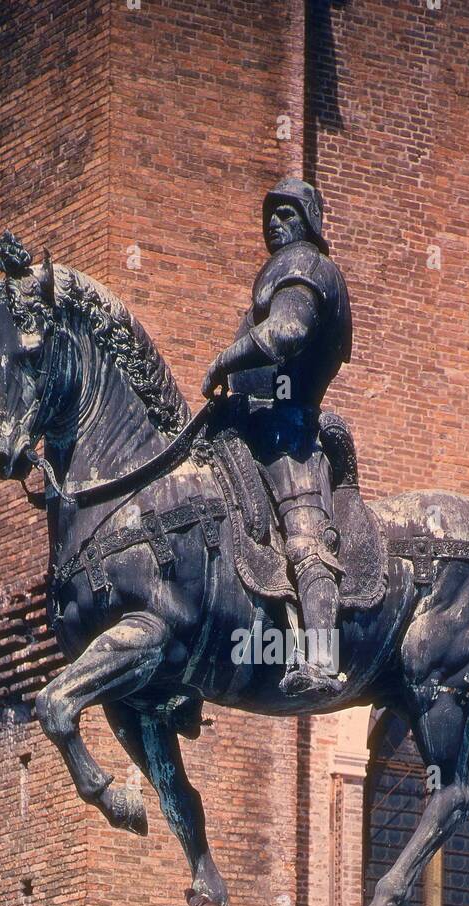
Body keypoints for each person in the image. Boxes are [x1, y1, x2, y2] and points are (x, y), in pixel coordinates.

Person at [202, 178, 353, 700]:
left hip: (291, 434)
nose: (274, 222)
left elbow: (287, 332)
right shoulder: (277, 274)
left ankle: (321, 661)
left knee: (306, 542)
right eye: (269, 213)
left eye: (286, 214)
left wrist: (226, 357)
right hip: (246, 428)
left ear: (308, 221)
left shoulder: (306, 268)